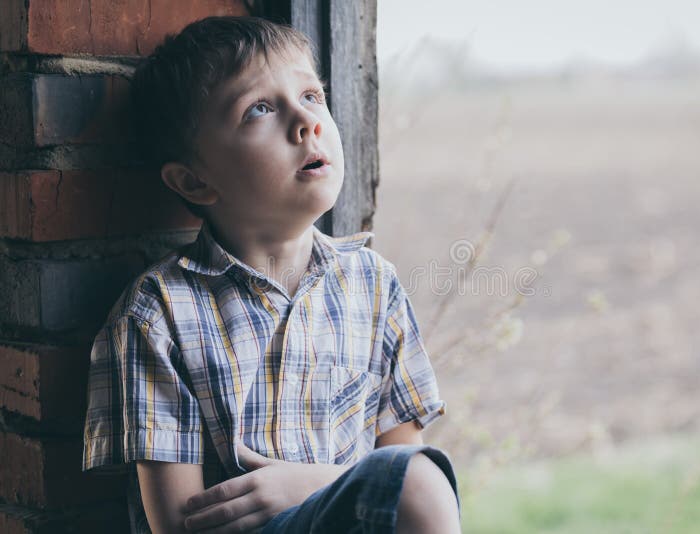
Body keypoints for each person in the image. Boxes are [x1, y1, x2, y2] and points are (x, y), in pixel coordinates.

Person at [81, 15, 460, 534]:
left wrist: (312, 484)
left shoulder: (373, 286)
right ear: (194, 181)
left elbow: (394, 478)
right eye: (258, 108)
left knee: (419, 479)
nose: (307, 122)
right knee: (420, 482)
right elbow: (176, 524)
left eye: (312, 95)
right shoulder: (158, 312)